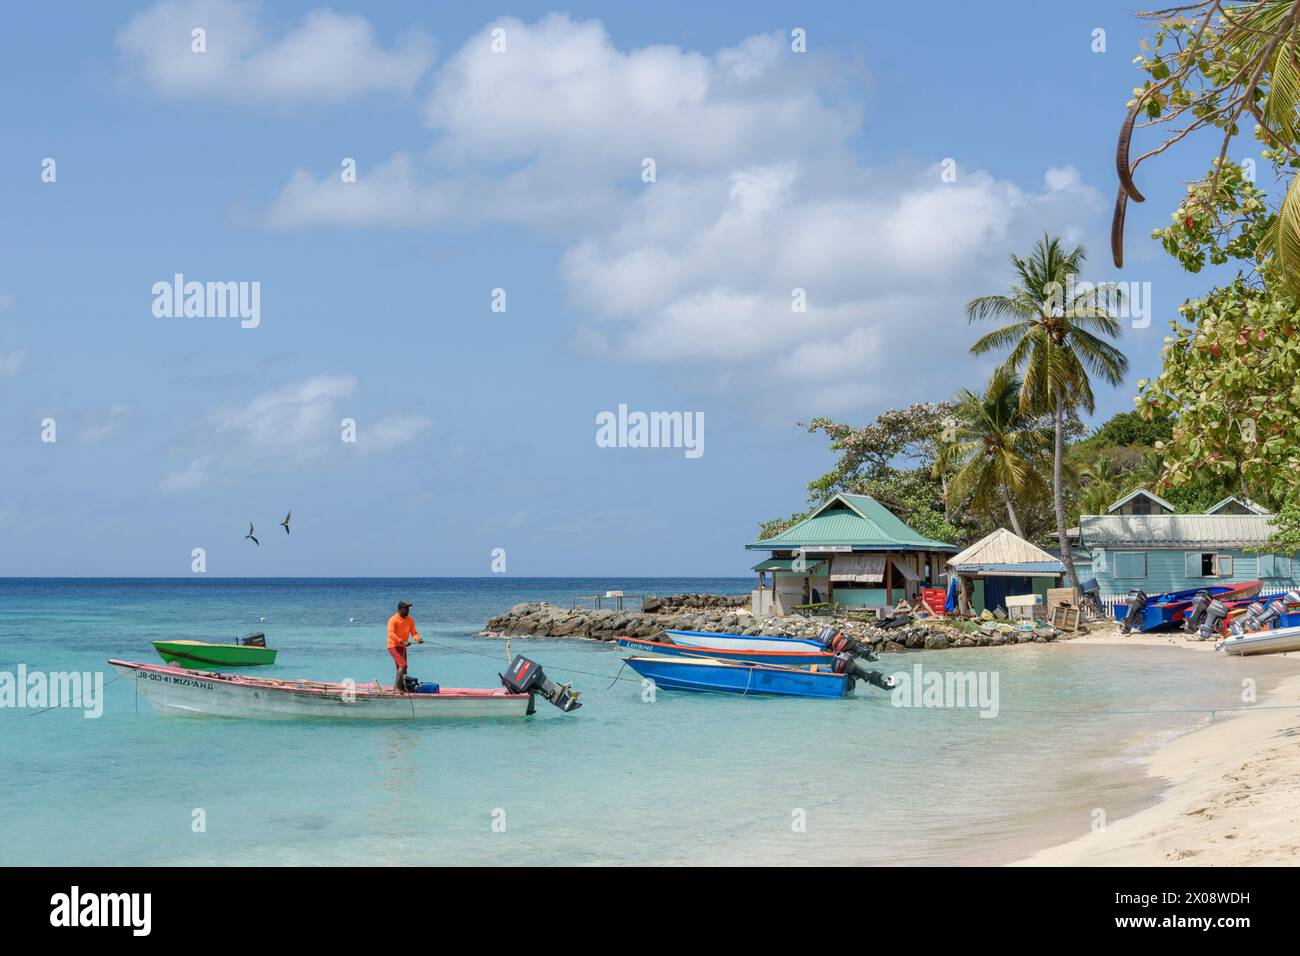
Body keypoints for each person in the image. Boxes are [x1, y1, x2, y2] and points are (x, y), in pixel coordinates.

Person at [387, 600, 423, 691]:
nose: (408, 610)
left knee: (404, 669)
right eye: (405, 608)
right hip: (393, 645)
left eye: (408, 608)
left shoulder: (410, 620)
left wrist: (417, 639)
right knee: (402, 666)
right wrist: (401, 641)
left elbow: (414, 632)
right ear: (400, 609)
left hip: (403, 647)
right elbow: (391, 633)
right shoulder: (393, 619)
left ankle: (397, 687)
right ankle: (398, 689)